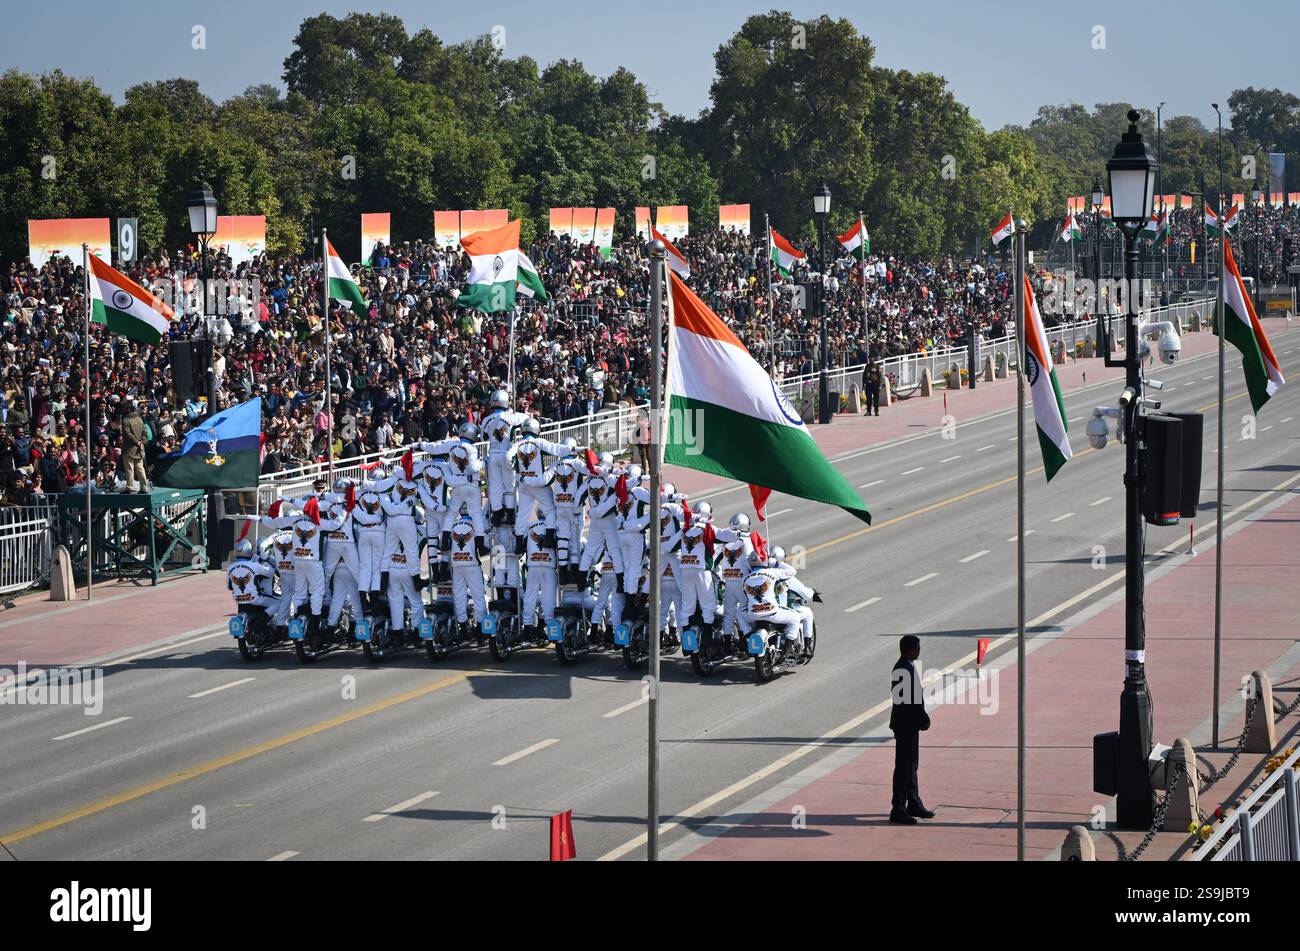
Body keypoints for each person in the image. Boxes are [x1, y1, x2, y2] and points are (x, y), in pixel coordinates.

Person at [888, 634, 934, 824]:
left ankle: (913, 802)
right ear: (907, 649)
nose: (919, 650)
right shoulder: (903, 669)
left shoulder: (907, 666)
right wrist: (923, 718)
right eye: (916, 647)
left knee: (911, 766)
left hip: (909, 724)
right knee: (904, 767)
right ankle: (898, 808)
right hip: (906, 725)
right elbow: (909, 701)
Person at [120, 400, 148, 492]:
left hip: (129, 449)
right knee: (140, 468)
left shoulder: (126, 421)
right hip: (139, 449)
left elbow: (128, 435)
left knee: (129, 468)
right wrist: (142, 442)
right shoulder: (139, 419)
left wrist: (137, 442)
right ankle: (144, 487)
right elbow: (145, 432)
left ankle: (130, 486)